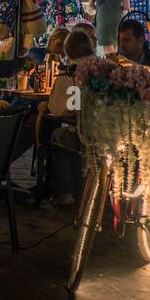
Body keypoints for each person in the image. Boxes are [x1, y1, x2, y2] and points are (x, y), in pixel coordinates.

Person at [44, 31, 99, 205]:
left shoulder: (70, 72)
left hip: (84, 133)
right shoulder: (105, 66)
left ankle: (65, 191)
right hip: (106, 131)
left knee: (59, 135)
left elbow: (58, 109)